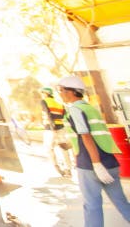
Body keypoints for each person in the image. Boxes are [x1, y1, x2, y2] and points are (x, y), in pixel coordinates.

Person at [57, 75, 130, 227]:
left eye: (61, 90)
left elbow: (86, 136)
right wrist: (71, 145)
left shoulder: (74, 110)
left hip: (90, 165)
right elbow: (92, 135)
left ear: (71, 92)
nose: (60, 94)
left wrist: (97, 165)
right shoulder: (90, 108)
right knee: (121, 202)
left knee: (92, 205)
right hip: (110, 163)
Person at [40, 86, 72, 177]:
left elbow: (47, 113)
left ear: (46, 93)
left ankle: (57, 167)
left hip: (50, 129)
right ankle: (68, 169)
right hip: (61, 128)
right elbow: (63, 115)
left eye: (42, 93)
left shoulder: (44, 101)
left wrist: (52, 127)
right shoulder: (59, 103)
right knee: (63, 148)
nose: (42, 95)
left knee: (49, 148)